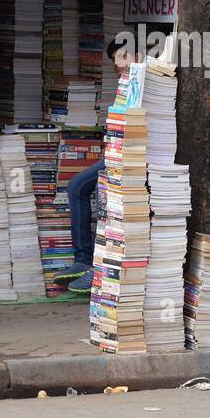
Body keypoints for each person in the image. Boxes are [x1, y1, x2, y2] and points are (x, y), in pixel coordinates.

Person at [57, 38, 134, 294]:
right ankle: (83, 260)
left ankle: (96, 266)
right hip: (116, 154)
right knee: (78, 186)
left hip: (133, 157)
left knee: (105, 201)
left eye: (122, 56)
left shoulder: (146, 83)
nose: (116, 63)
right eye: (113, 59)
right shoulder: (126, 85)